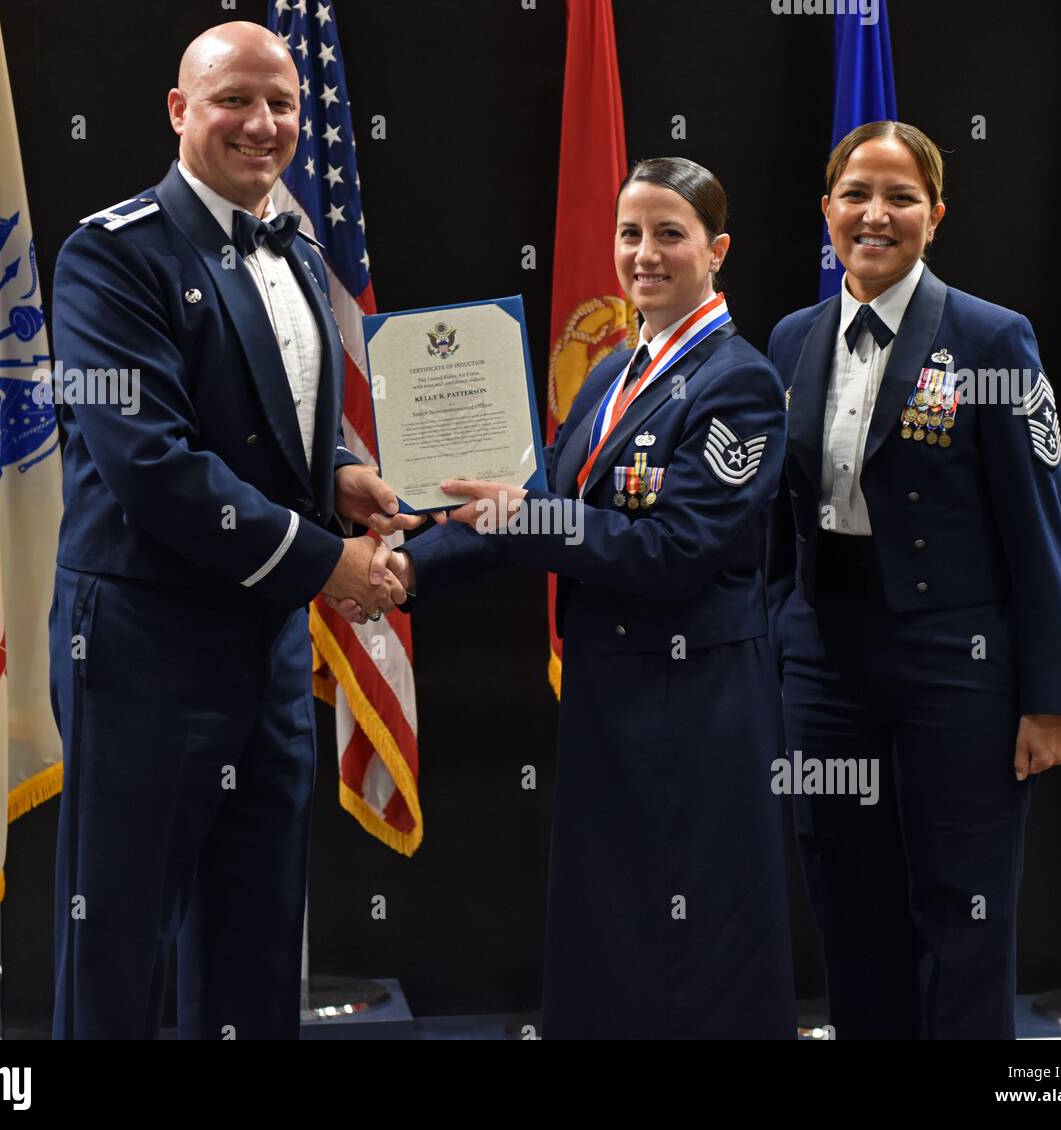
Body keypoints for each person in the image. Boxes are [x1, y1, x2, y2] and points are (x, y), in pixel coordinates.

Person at [337, 157, 796, 1039]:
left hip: (694, 705)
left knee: (694, 940)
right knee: (613, 929)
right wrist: (412, 569)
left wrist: (530, 513)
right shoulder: (611, 373)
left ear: (717, 249)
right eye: (630, 233)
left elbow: (676, 553)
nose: (645, 254)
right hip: (611, 693)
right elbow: (523, 507)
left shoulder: (740, 383)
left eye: (670, 234)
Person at [47, 22, 418, 1039]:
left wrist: (339, 473)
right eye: (232, 101)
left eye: (282, 104)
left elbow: (280, 415)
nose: (262, 125)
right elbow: (152, 468)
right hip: (142, 646)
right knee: (117, 937)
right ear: (179, 110)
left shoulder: (295, 247)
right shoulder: (108, 255)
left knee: (256, 935)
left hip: (264, 648)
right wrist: (328, 563)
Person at [766, 121, 1061, 1039]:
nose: (876, 215)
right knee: (848, 902)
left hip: (962, 662)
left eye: (900, 197)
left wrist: (1051, 693)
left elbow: (1038, 523)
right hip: (827, 662)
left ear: (934, 217)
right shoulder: (790, 340)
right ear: (826, 211)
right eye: (856, 194)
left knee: (964, 908)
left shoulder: (994, 337)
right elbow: (779, 524)